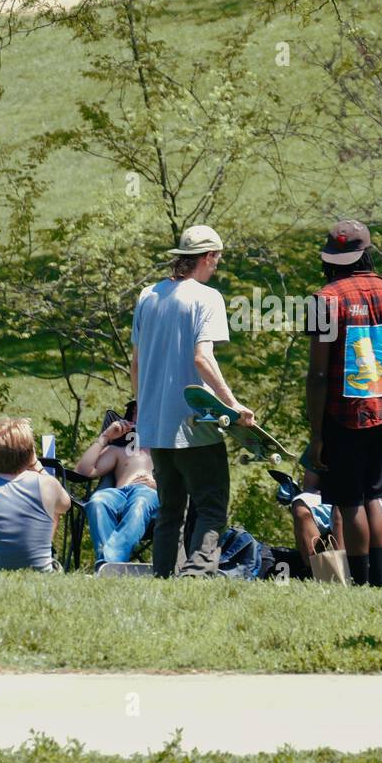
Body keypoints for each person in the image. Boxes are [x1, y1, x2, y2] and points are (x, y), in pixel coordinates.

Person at [132, 225, 252, 578]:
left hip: (155, 425)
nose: (217, 266)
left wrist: (144, 411)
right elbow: (202, 358)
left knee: (170, 509)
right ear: (208, 257)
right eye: (217, 258)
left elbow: (135, 363)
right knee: (212, 506)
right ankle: (195, 576)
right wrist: (232, 405)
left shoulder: (148, 296)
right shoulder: (206, 297)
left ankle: (163, 576)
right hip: (193, 423)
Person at [304, 220, 382, 587]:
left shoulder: (324, 300)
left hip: (342, 414)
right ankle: (381, 582)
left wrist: (317, 433)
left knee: (349, 502)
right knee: (373, 495)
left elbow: (318, 374)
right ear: (366, 253)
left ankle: (361, 581)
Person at [0, 416, 71, 571]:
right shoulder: (48, 485)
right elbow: (65, 505)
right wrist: (36, 465)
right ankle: (40, 558)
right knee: (54, 508)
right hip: (41, 575)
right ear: (30, 454)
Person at [74, 418, 159, 566]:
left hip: (150, 494)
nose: (138, 416)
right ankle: (111, 566)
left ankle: (108, 564)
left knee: (140, 502)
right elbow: (82, 471)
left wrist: (158, 485)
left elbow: (185, 477)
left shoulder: (169, 448)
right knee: (97, 501)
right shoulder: (119, 450)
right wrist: (105, 437)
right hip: (118, 494)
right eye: (134, 412)